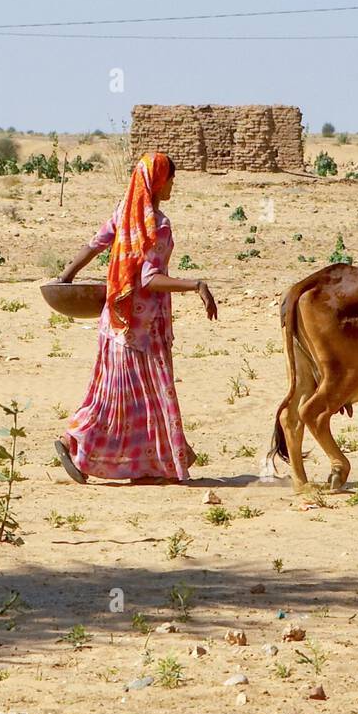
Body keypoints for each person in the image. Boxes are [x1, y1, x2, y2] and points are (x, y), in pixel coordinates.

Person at [53, 152, 217, 484]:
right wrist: (196, 285)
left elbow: (94, 244)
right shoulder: (157, 224)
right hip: (144, 330)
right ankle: (80, 443)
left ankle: (134, 460)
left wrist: (64, 277)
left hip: (115, 321)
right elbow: (149, 280)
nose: (172, 184)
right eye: (171, 178)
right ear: (159, 181)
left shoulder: (125, 214)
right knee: (140, 398)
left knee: (112, 396)